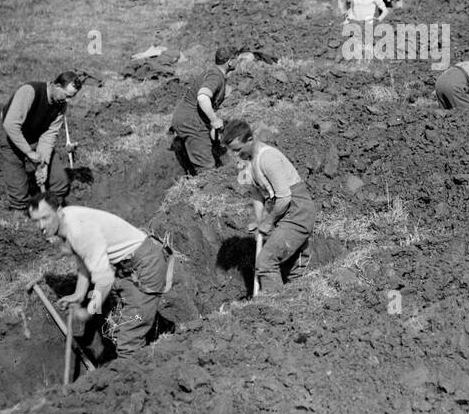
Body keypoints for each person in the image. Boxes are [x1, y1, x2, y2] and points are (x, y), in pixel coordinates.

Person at [31, 194, 173, 357]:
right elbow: (84, 258)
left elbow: (105, 280)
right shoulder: (67, 221)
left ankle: (137, 377)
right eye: (35, 220)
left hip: (145, 266)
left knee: (128, 341)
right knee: (126, 320)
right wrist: (78, 294)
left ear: (59, 211)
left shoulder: (79, 231)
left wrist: (89, 312)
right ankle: (152, 328)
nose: (40, 225)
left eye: (45, 218)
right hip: (127, 267)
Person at [221, 119, 316, 295]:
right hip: (283, 213)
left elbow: (284, 198)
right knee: (290, 264)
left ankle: (272, 307)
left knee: (266, 261)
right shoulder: (251, 160)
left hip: (297, 211)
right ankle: (293, 300)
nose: (235, 155)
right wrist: (259, 221)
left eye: (237, 149)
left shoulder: (268, 158)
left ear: (249, 140)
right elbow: (257, 194)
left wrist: (268, 222)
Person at [0, 71, 82, 210]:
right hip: (10, 135)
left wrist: (43, 166)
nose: (67, 100)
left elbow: (49, 135)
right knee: (19, 196)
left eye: (71, 97)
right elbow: (11, 124)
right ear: (57, 85)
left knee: (60, 182)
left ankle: (53, 209)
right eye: (66, 95)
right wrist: (29, 152)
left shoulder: (61, 105)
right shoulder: (30, 91)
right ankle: (21, 218)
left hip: (35, 135)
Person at [169, 47, 240, 175]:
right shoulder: (215, 77)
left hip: (189, 118)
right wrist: (214, 120)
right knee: (207, 169)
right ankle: (204, 190)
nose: (238, 62)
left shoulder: (214, 72)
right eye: (237, 59)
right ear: (230, 62)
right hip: (191, 122)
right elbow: (202, 97)